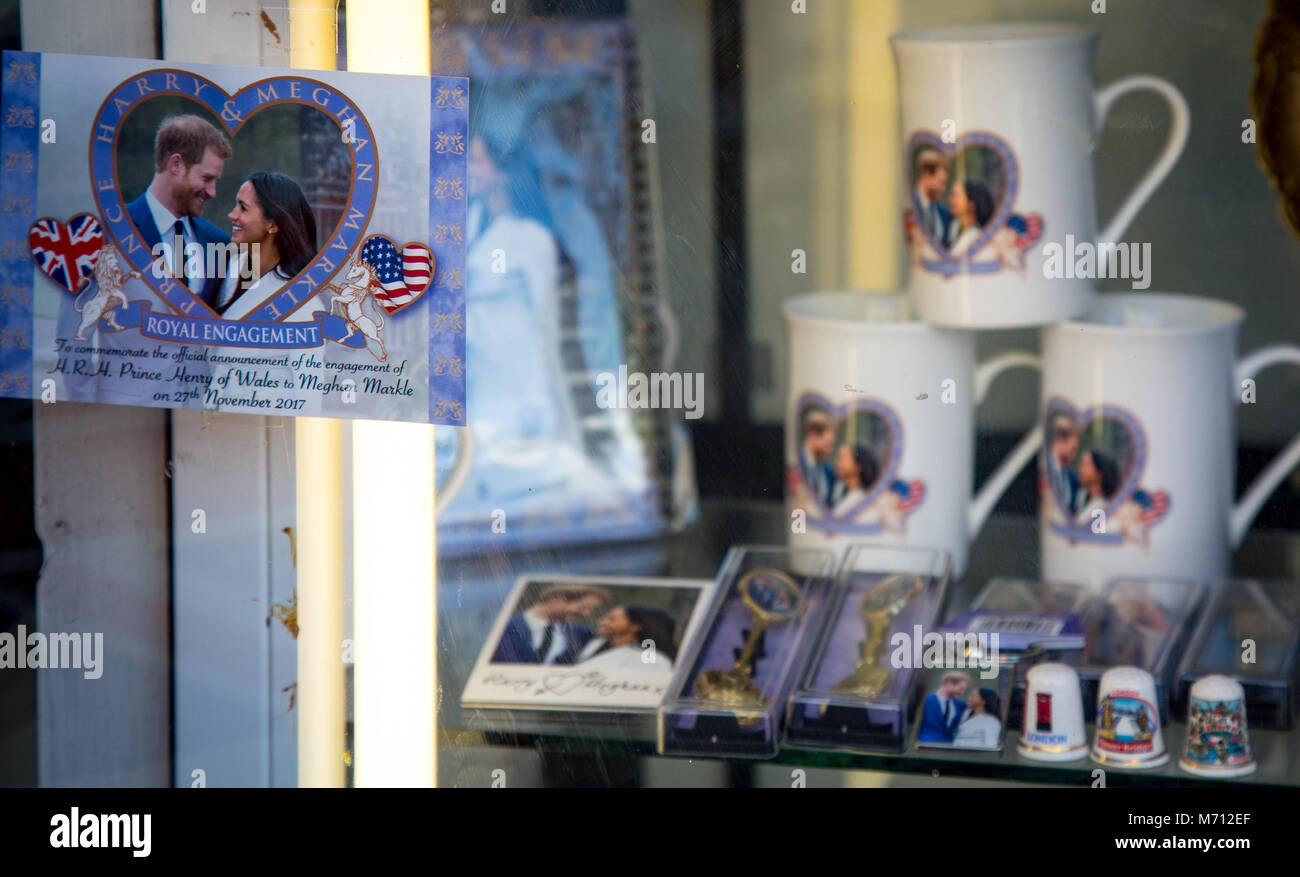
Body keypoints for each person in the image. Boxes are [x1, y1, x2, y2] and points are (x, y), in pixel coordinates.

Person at [126, 115, 232, 307]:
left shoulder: (218, 242)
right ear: (176, 165)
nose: (213, 192)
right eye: (207, 178)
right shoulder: (113, 231)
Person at [214, 172, 327, 320]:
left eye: (243, 208)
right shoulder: (230, 270)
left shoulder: (302, 305)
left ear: (272, 224)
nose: (232, 215)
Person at [491, 584, 610, 665]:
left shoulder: (580, 633)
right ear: (556, 600)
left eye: (590, 609)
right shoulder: (503, 628)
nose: (586, 613)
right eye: (584, 607)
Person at [574, 606, 678, 674]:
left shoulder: (651, 659)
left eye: (611, 619)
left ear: (635, 626)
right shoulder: (595, 644)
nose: (602, 621)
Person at [946, 178, 996, 258]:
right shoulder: (953, 226)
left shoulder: (977, 238)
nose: (951, 200)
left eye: (956, 196)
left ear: (971, 204)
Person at [914, 147, 953, 247]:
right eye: (940, 182)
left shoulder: (945, 214)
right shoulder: (909, 206)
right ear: (926, 174)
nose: (943, 189)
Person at [798, 410, 836, 506]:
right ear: (813, 434)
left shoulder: (829, 473)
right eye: (828, 444)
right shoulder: (796, 464)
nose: (830, 450)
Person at [919, 671, 970, 743]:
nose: (962, 692)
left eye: (964, 690)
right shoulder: (926, 701)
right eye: (961, 688)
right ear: (948, 683)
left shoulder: (960, 705)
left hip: (948, 748)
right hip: (925, 746)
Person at [1047, 414, 1083, 516]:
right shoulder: (1044, 469)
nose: (1074, 455)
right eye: (1073, 449)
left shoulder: (1071, 477)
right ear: (1060, 440)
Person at [831, 442, 879, 516]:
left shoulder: (861, 499)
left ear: (857, 467)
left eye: (842, 458)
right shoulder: (837, 487)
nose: (837, 462)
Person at [1076, 448, 1121, 524]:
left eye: (1087, 465)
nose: (1081, 469)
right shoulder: (1080, 496)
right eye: (1082, 464)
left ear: (1100, 474)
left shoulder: (1103, 507)